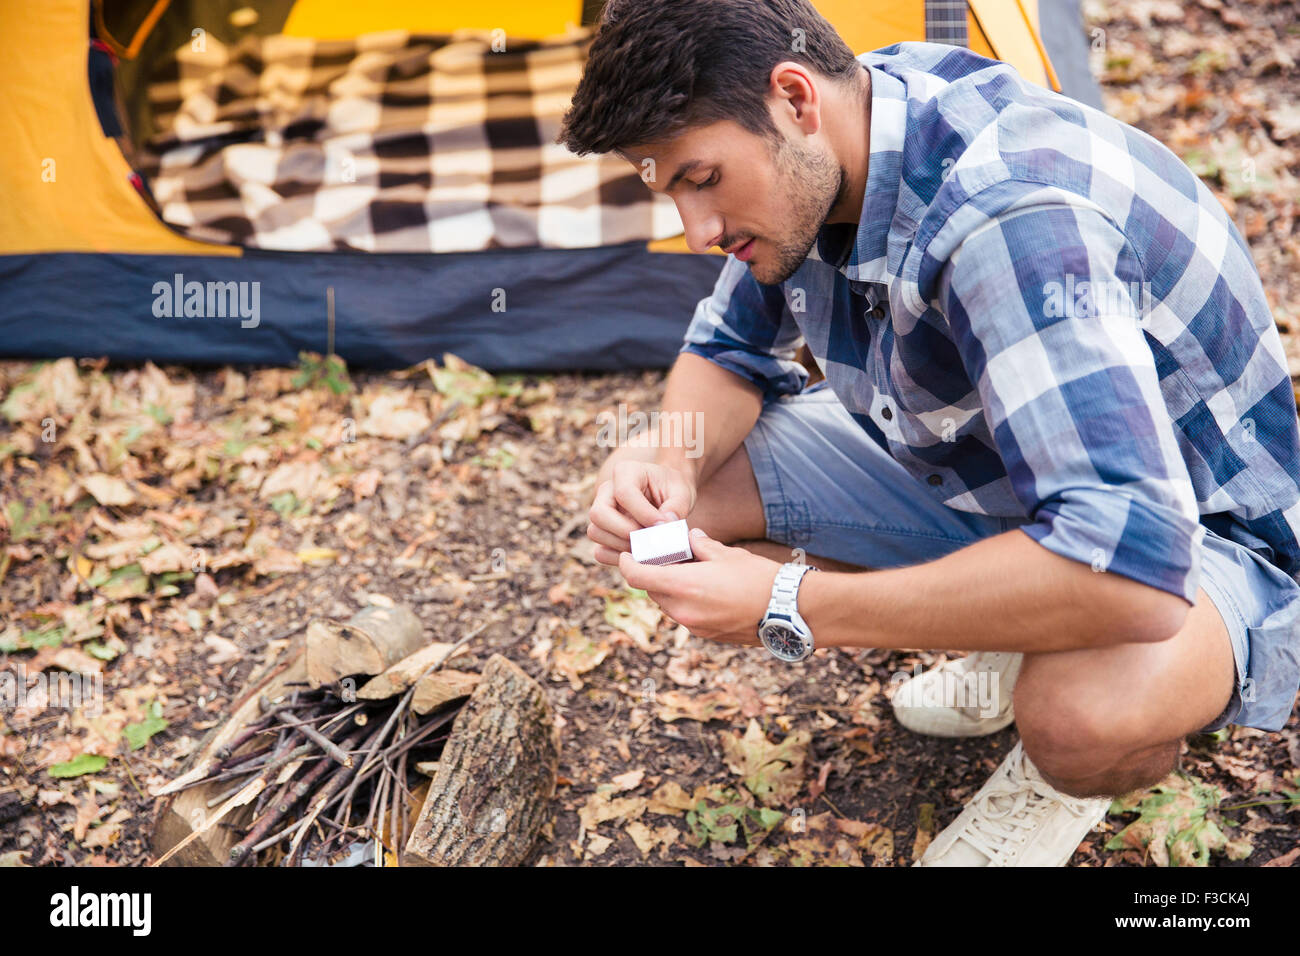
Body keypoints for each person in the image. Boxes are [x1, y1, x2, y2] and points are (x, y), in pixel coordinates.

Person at [559, 0, 1300, 866]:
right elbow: (726, 349)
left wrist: (791, 602)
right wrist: (664, 456)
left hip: (1194, 536)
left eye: (702, 178)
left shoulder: (1011, 221)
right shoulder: (852, 124)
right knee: (694, 499)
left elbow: (1133, 566)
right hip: (1018, 464)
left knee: (1082, 716)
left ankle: (1063, 756)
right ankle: (1024, 610)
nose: (699, 232)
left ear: (794, 98)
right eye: (671, 190)